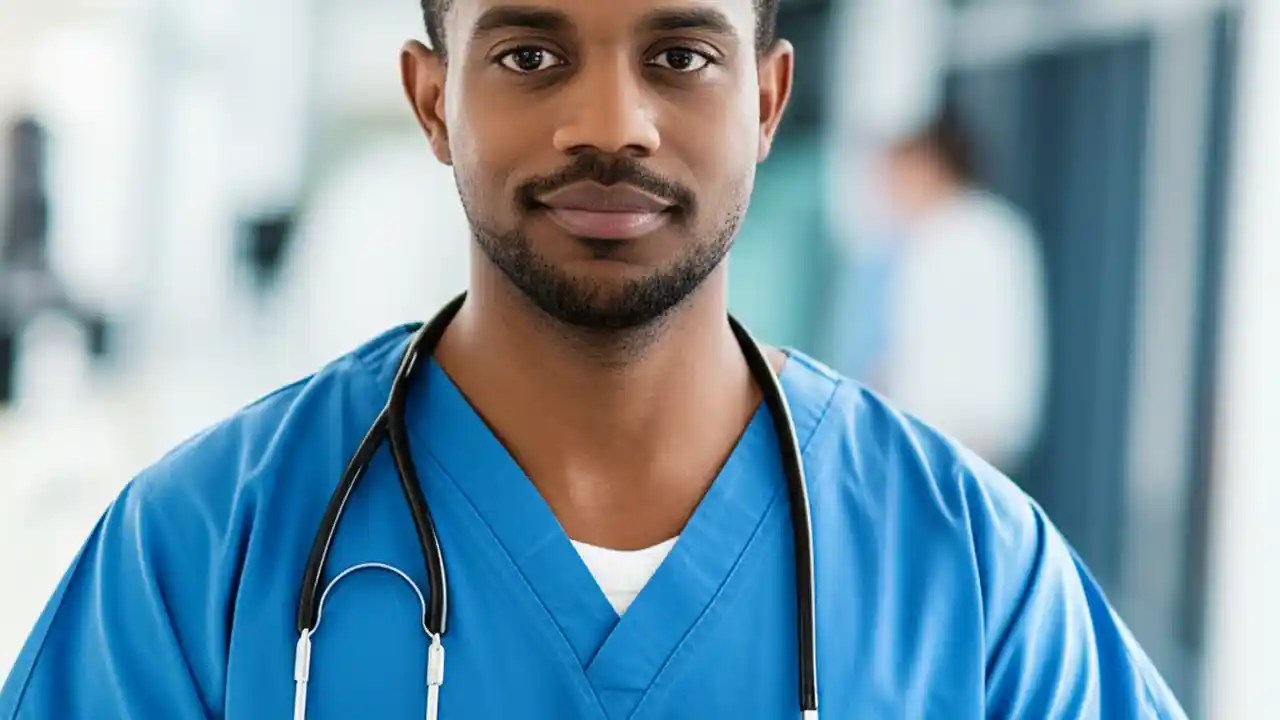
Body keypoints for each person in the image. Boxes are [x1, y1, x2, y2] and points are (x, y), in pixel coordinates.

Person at [0, 1, 1182, 718]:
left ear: (766, 101)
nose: (610, 125)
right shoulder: (201, 548)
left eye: (680, 55)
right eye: (529, 55)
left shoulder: (973, 573)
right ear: (432, 100)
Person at [831, 110, 1048, 474]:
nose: (888, 193)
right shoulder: (924, 238)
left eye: (897, 176)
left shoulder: (972, 237)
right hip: (927, 434)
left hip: (960, 437)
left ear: (929, 169)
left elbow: (991, 352)